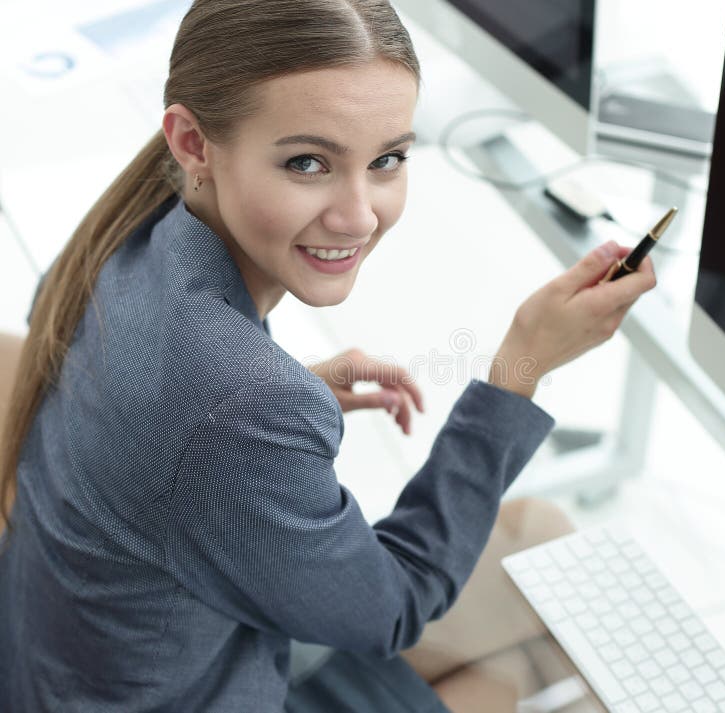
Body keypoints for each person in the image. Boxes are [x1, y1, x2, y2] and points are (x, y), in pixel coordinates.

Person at [0, 1, 656, 711]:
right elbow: (394, 609)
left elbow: (160, 415)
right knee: (556, 644)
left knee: (548, 548)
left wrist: (272, 397)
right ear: (192, 143)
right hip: (192, 687)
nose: (359, 214)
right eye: (308, 162)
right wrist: (523, 363)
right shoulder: (242, 404)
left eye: (387, 160)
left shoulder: (127, 233)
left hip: (69, 666)